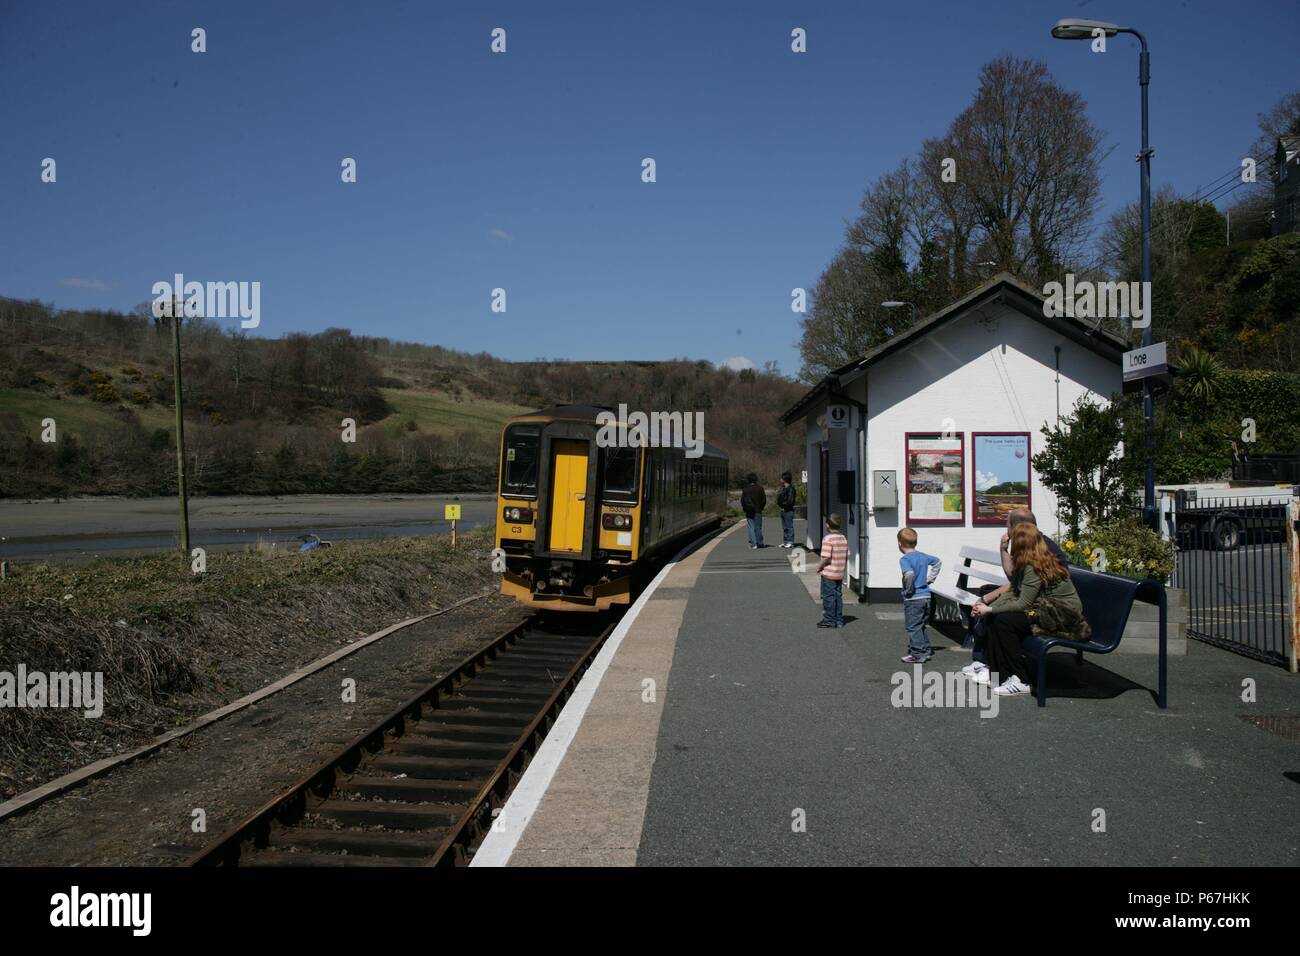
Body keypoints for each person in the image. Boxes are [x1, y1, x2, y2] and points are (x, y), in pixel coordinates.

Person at [970, 522, 1087, 697]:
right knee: (996, 618)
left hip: (1062, 614)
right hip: (1044, 609)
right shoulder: (1026, 563)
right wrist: (986, 608)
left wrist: (991, 609)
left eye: (1013, 541)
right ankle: (1000, 675)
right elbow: (1013, 592)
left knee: (1005, 622)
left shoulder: (1033, 567)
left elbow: (1022, 604)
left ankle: (1022, 680)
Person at [962, 508, 1068, 681]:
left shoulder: (1041, 549)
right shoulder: (1030, 543)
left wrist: (990, 607)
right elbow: (1016, 580)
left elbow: (1018, 588)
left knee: (1002, 618)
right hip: (1037, 602)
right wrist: (987, 601)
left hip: (1049, 609)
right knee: (995, 612)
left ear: (1016, 527)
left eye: (1007, 526)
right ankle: (992, 668)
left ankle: (1014, 676)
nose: (1006, 531)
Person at [897, 528, 942, 663]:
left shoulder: (905, 559)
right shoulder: (923, 556)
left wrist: (908, 590)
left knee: (913, 626)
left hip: (914, 598)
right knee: (921, 625)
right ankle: (925, 650)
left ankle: (917, 654)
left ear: (899, 543)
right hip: (926, 596)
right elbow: (938, 562)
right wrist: (930, 579)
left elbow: (909, 574)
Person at [816, 513, 849, 628]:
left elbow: (826, 557)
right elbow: (847, 554)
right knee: (838, 596)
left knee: (828, 596)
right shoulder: (843, 538)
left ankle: (829, 619)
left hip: (829, 573)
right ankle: (838, 620)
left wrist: (819, 567)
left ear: (827, 525)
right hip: (839, 573)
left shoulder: (827, 539)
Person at [740, 473, 767, 549]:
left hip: (749, 511)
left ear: (748, 480)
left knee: (751, 527)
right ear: (756, 479)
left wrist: (745, 509)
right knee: (758, 527)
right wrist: (761, 508)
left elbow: (742, 501)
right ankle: (760, 543)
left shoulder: (745, 490)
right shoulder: (760, 489)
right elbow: (764, 500)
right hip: (758, 511)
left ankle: (753, 543)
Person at [777, 472, 797, 548]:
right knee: (785, 527)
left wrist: (783, 505)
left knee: (789, 526)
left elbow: (790, 501)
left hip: (788, 510)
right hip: (783, 510)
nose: (780, 479)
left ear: (785, 479)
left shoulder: (791, 489)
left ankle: (790, 542)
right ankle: (786, 542)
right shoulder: (784, 488)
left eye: (781, 478)